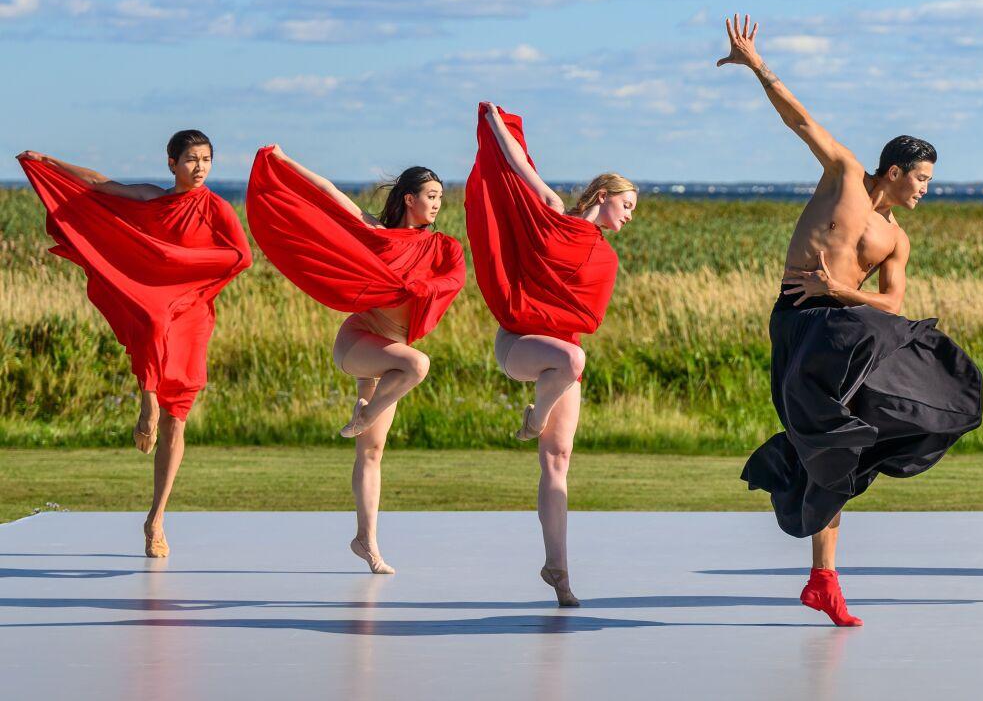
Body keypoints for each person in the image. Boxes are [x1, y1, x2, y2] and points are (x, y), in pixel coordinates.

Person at [719, 14, 983, 628]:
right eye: (921, 179)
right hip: (799, 324)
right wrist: (756, 65)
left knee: (844, 449)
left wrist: (842, 288)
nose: (926, 190)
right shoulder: (844, 177)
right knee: (825, 446)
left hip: (841, 327)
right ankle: (820, 564)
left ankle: (824, 580)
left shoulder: (897, 239)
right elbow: (800, 119)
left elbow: (892, 305)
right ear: (894, 171)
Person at [16, 132, 252, 557]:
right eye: (190, 160)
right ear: (171, 163)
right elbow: (100, 185)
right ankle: (147, 400)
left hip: (193, 311)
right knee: (150, 314)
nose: (199, 168)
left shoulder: (216, 206)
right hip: (156, 302)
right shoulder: (151, 198)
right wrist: (51, 162)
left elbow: (242, 255)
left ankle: (156, 518)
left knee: (179, 417)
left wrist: (183, 267)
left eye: (206, 160)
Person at [245, 145, 467, 573]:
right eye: (431, 195)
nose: (438, 203)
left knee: (372, 452)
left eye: (441, 196)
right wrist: (285, 160)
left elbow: (453, 280)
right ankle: (364, 414)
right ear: (409, 199)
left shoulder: (442, 247)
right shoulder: (377, 234)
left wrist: (424, 291)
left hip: (390, 355)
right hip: (360, 344)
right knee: (417, 365)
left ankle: (366, 541)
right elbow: (329, 193)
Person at [466, 102, 634, 607]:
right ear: (602, 197)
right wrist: (494, 120)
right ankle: (533, 417)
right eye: (626, 205)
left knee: (558, 461)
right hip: (520, 343)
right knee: (573, 362)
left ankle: (557, 569)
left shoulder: (605, 255)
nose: (630, 216)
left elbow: (585, 317)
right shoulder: (555, 213)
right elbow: (520, 166)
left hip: (560, 357)